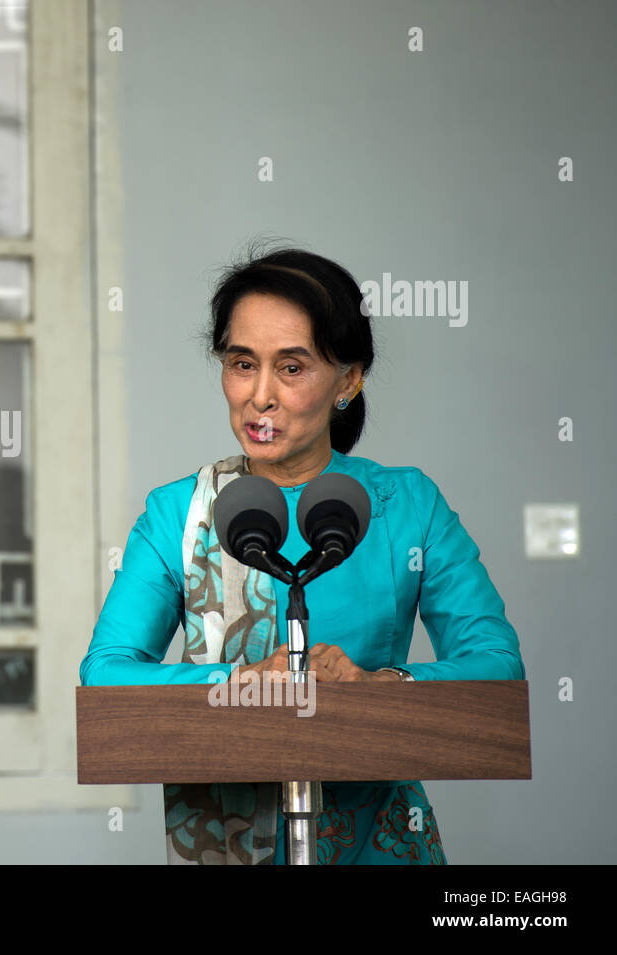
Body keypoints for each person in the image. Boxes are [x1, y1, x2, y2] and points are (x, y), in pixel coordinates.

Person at [80, 246, 524, 865]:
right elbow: (107, 676)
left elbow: (496, 666)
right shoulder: (178, 514)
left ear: (348, 379)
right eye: (242, 364)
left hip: (378, 841)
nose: (260, 396)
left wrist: (379, 686)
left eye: (292, 368)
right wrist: (239, 686)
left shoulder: (407, 504)